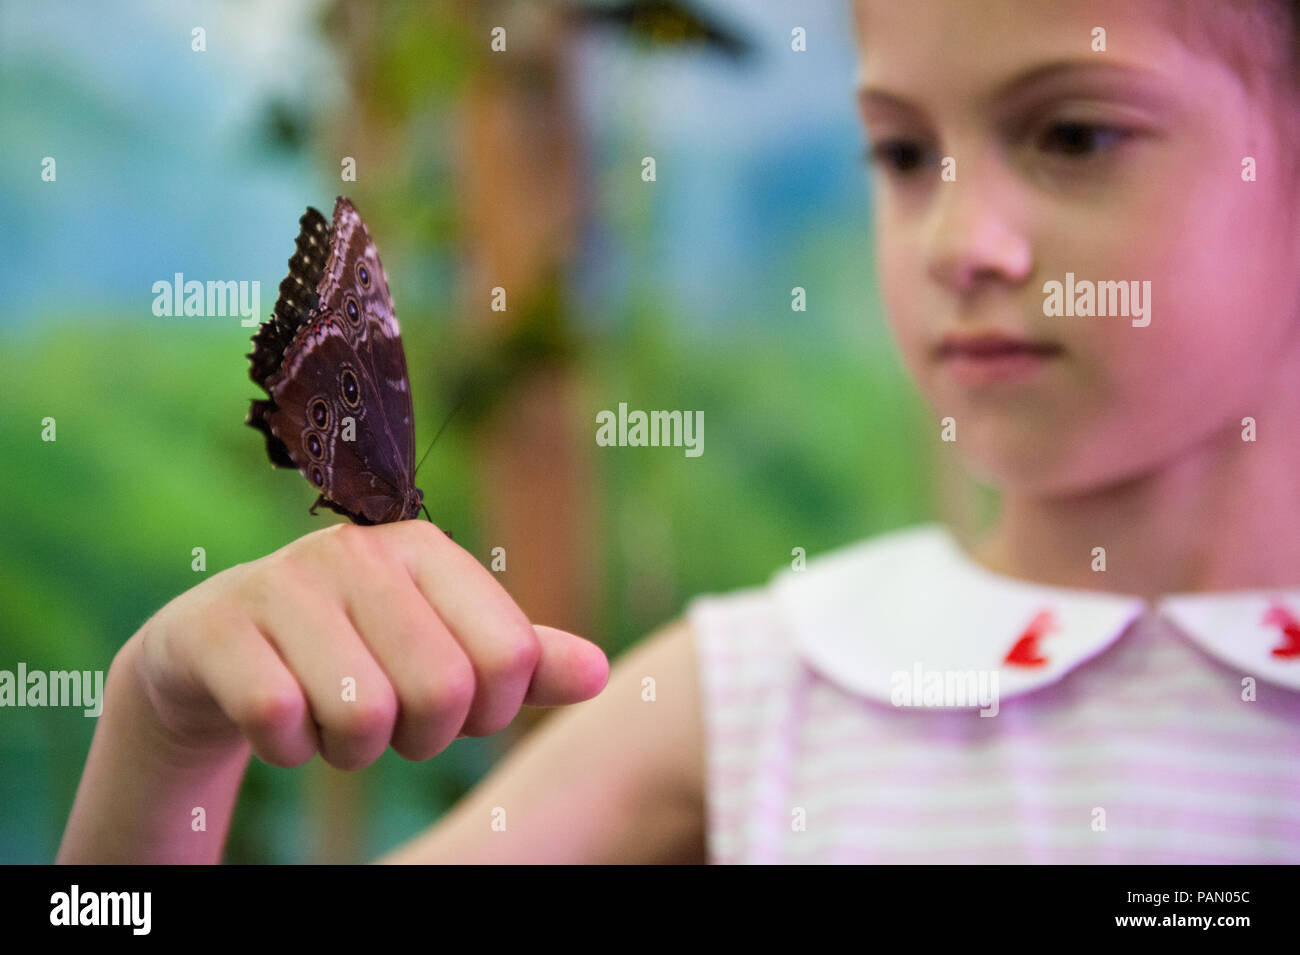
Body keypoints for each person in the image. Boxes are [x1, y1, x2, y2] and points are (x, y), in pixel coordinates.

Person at [59, 0, 1300, 864]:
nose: (959, 243)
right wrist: (160, 731)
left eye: (1075, 134)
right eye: (902, 151)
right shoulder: (762, 694)